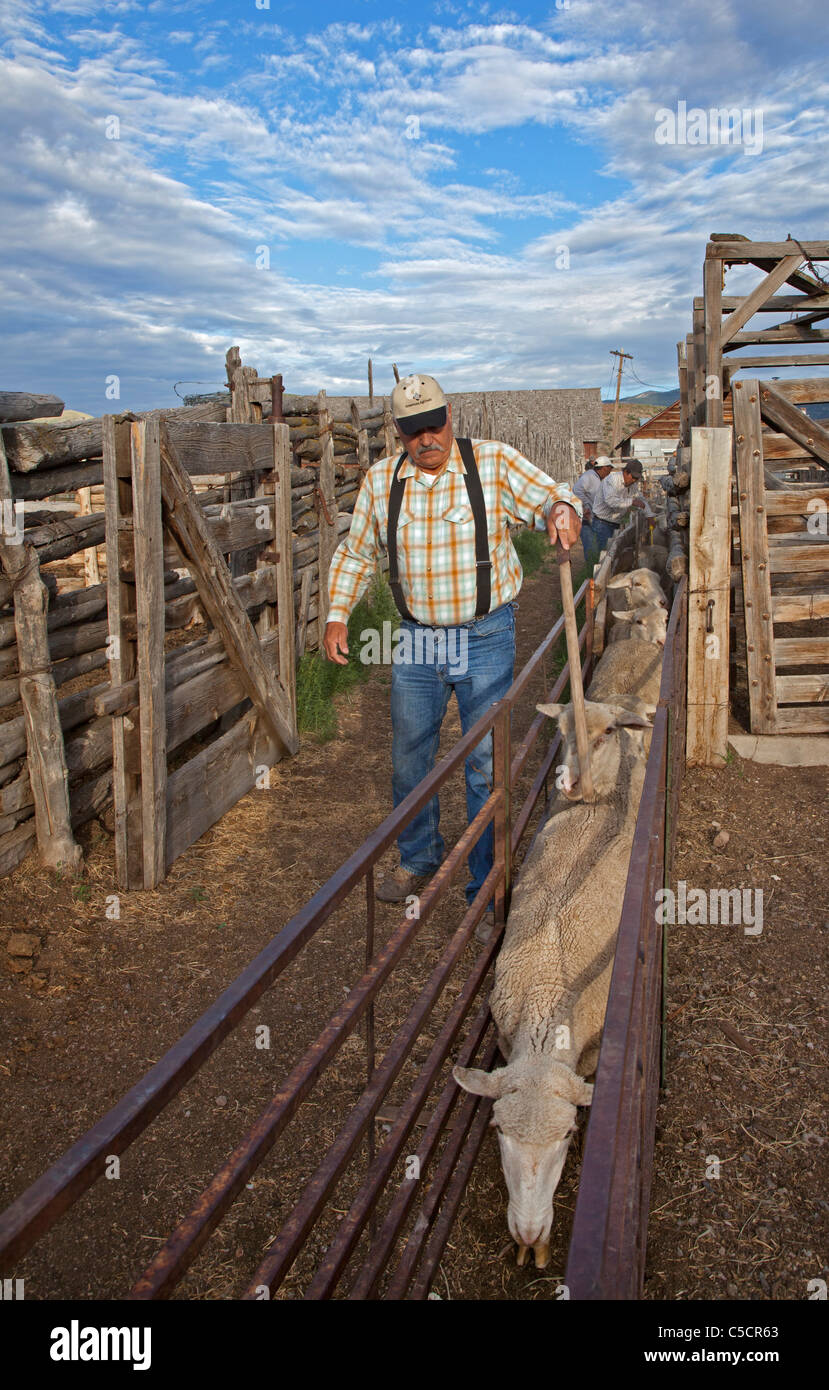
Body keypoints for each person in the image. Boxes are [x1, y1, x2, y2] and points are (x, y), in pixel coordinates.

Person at [322, 372, 582, 934]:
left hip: (485, 635)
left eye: (434, 426)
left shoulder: (492, 464)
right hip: (416, 640)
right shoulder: (381, 481)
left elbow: (552, 495)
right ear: (398, 433)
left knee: (484, 762)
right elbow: (356, 553)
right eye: (413, 432)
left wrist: (562, 512)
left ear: (450, 419)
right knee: (410, 756)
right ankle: (418, 858)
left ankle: (486, 886)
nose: (427, 440)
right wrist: (338, 614)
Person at [590, 458, 646, 553]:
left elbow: (640, 498)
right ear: (626, 472)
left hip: (615, 522)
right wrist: (632, 501)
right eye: (633, 477)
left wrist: (649, 515)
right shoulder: (611, 480)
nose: (634, 480)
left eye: (636, 479)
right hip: (602, 523)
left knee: (613, 552)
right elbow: (611, 501)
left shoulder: (632, 484)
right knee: (605, 555)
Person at [572, 455, 614, 568]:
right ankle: (591, 572)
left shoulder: (598, 479)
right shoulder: (589, 476)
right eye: (609, 469)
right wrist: (585, 506)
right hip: (585, 518)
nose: (610, 472)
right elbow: (576, 491)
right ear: (604, 468)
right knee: (590, 546)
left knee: (597, 546)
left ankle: (595, 571)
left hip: (594, 518)